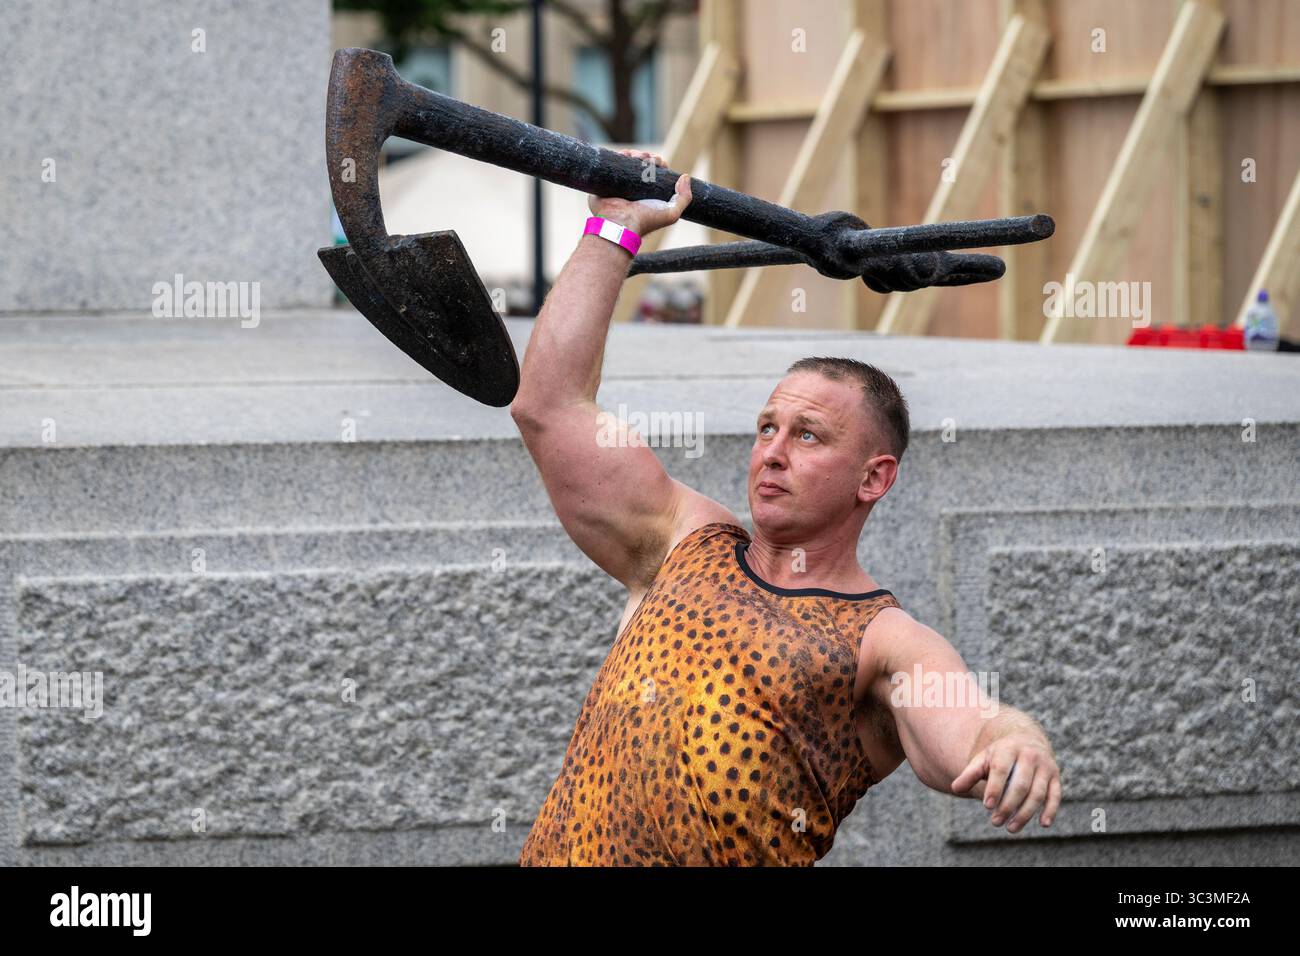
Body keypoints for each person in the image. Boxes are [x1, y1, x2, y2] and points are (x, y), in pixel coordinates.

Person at [510, 151, 1061, 866]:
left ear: (874, 478)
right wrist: (613, 231)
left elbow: (970, 725)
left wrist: (1018, 741)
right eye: (767, 428)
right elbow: (549, 407)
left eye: (808, 436)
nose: (772, 451)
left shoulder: (883, 640)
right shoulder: (681, 541)